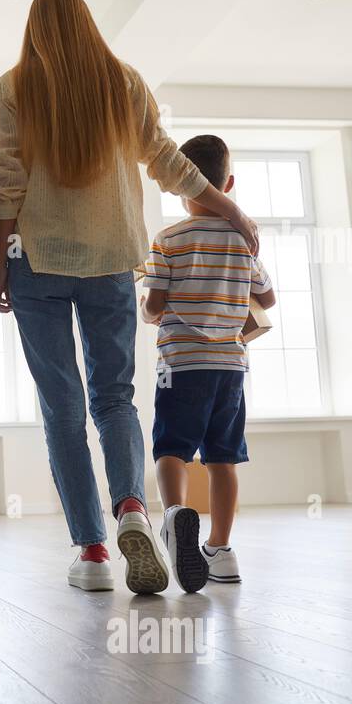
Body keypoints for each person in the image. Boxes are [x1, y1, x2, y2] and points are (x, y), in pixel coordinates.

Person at [0, 0, 258, 595]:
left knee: (61, 406)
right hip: (110, 264)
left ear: (34, 30)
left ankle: (91, 551)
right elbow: (165, 159)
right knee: (114, 400)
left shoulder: (14, 88)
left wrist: (0, 266)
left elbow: (9, 183)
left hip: (37, 262)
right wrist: (229, 208)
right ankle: (133, 508)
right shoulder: (124, 82)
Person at [141, 135, 276, 590]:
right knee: (224, 457)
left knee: (171, 449)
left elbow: (155, 304)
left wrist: (148, 308)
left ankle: (177, 516)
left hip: (180, 362)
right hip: (231, 367)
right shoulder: (243, 239)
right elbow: (268, 298)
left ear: (183, 185)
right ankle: (220, 548)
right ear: (228, 182)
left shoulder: (168, 240)